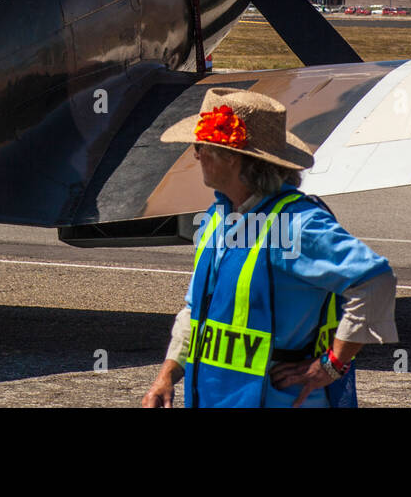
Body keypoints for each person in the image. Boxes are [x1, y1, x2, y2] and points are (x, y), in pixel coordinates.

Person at [141, 88, 397, 408]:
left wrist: (333, 365)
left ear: (232, 157)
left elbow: (375, 280)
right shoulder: (215, 219)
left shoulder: (295, 223)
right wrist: (166, 376)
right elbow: (196, 312)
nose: (195, 154)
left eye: (201, 146)